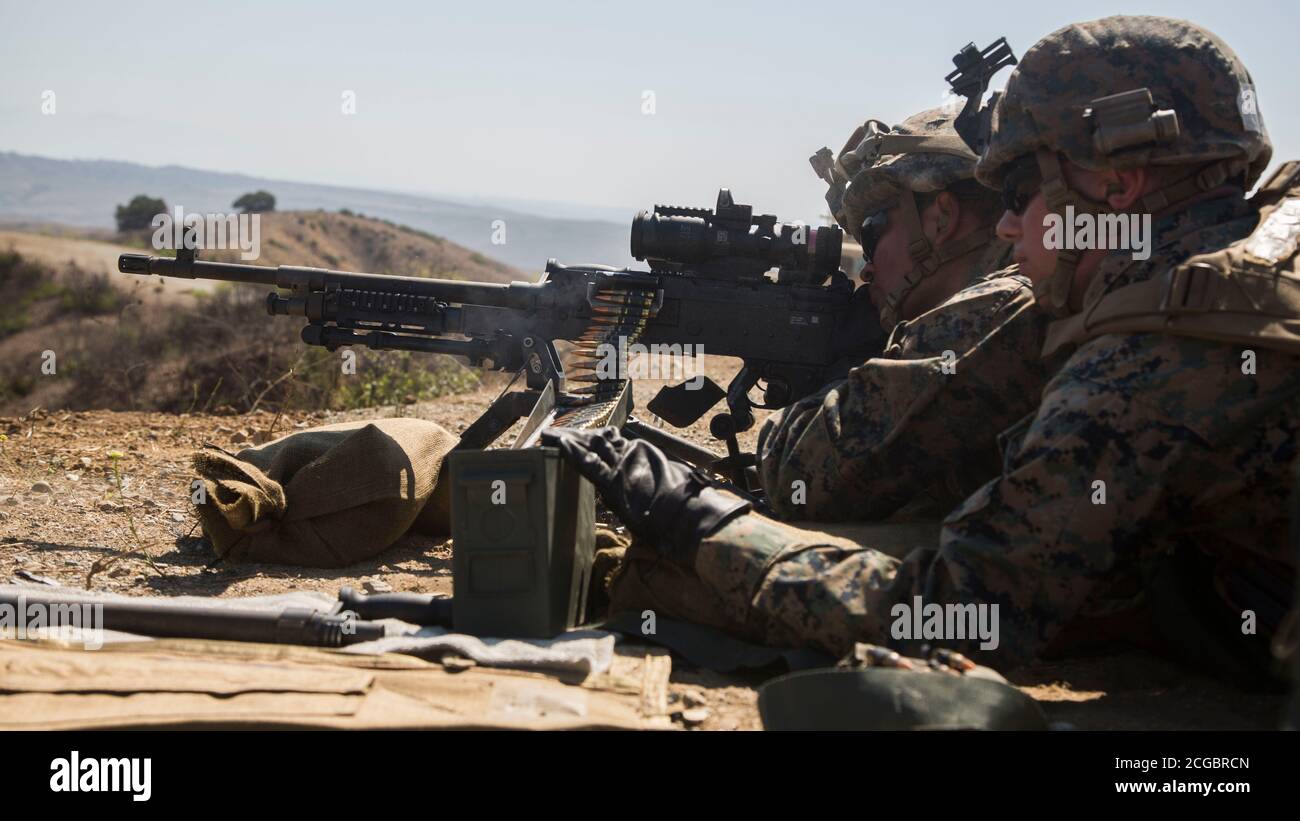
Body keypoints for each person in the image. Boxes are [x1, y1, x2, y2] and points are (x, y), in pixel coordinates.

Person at [546, 15, 1298, 679]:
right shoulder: (1265, 250)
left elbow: (959, 609)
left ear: (1119, 183)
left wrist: (703, 522)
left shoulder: (1154, 347)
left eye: (1018, 195)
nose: (1006, 228)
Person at [761, 105, 1052, 521]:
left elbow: (794, 474)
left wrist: (838, 378)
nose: (869, 267)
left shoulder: (993, 313)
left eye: (873, 233)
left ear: (942, 218)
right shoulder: (1033, 290)